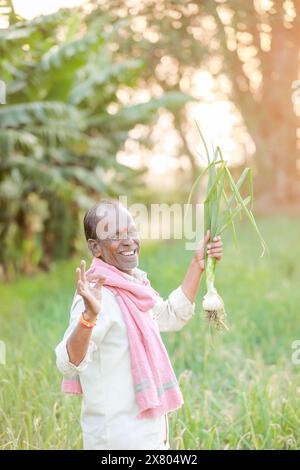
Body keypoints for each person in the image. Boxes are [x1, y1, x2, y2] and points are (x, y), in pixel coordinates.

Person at [55, 199, 223, 450]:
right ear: (95, 247)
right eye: (114, 234)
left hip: (149, 436)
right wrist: (88, 319)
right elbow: (68, 363)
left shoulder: (132, 286)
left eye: (131, 231)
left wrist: (198, 265)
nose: (128, 240)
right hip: (118, 440)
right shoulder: (96, 294)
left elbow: (170, 315)